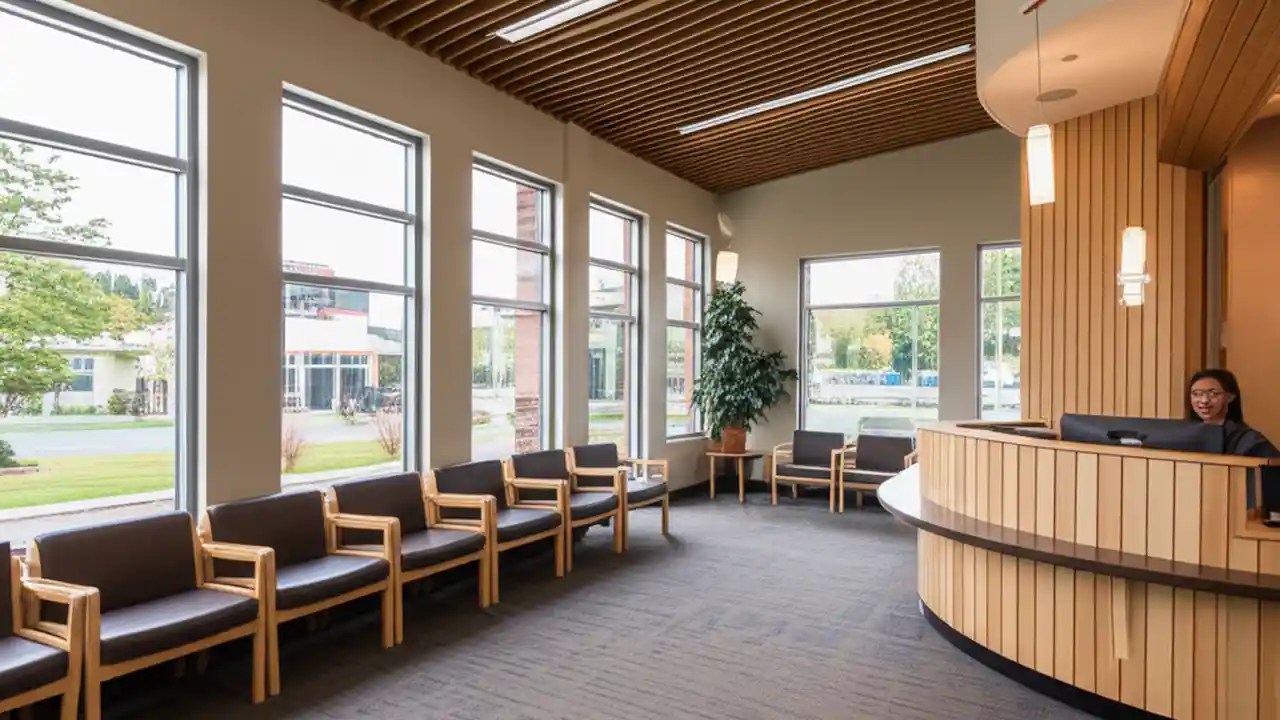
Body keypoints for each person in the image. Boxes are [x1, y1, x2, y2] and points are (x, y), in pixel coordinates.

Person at [1185, 368, 1279, 457]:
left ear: (1230, 397)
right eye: (1196, 394)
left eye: (1213, 393)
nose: (1204, 400)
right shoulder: (1186, 435)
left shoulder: (1250, 440)